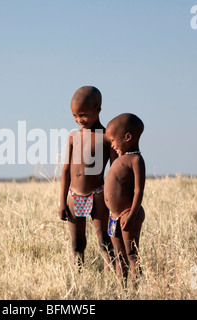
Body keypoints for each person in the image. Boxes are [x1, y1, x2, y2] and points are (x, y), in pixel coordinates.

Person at [59, 86, 118, 271]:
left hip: (98, 195)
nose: (79, 120)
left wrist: (114, 201)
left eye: (83, 115)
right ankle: (78, 277)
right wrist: (62, 201)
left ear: (98, 109)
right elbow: (66, 170)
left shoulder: (107, 138)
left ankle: (111, 280)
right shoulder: (72, 137)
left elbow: (115, 172)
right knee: (77, 244)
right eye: (75, 116)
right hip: (74, 195)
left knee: (105, 243)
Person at [104, 113, 146, 282]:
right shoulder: (121, 159)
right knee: (118, 254)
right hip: (114, 216)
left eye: (113, 140)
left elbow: (138, 190)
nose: (112, 145)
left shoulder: (135, 160)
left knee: (131, 253)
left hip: (128, 214)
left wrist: (133, 214)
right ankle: (123, 288)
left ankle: (136, 285)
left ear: (128, 137)